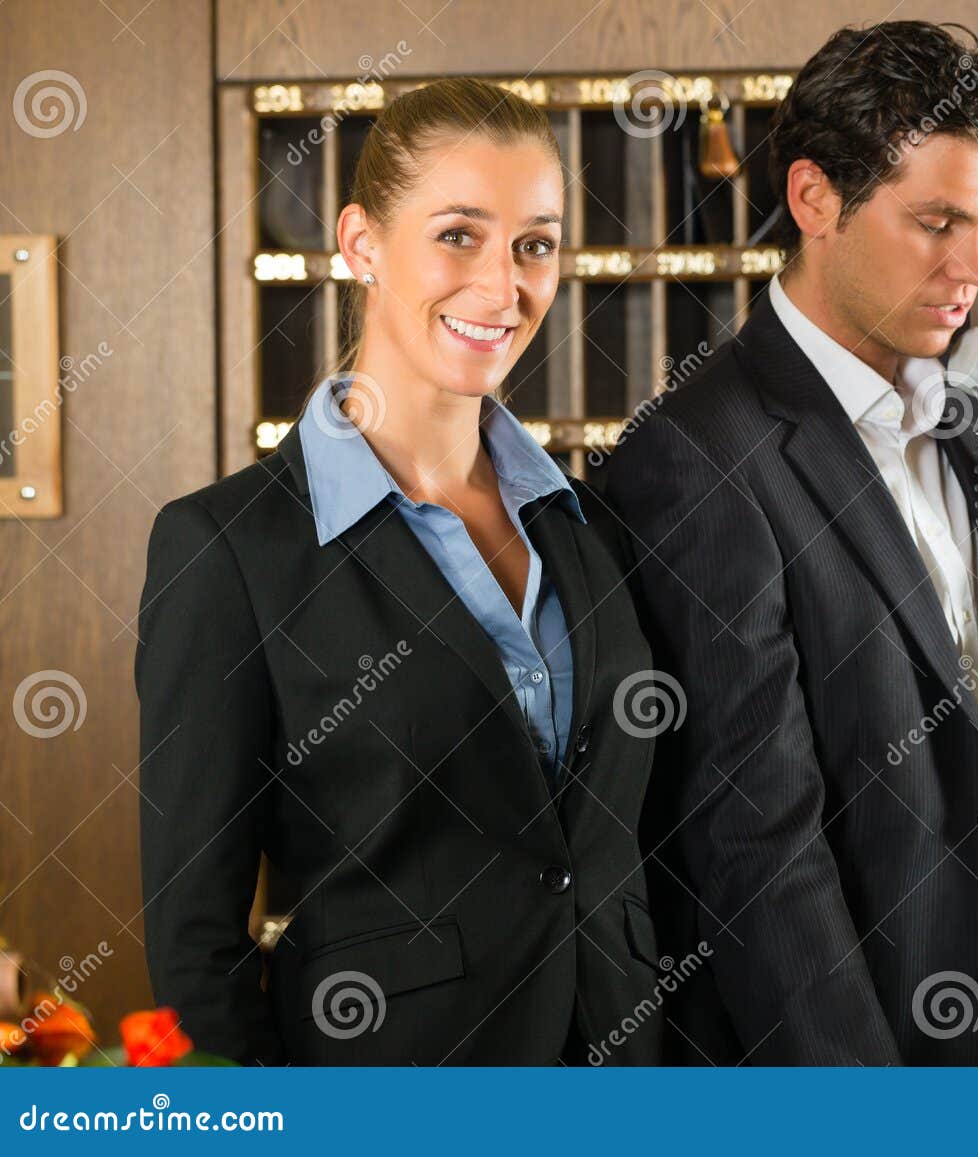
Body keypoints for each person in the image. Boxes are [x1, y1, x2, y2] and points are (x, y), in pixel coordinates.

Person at [600, 22, 978, 1065]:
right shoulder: (696, 457)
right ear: (814, 200)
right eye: (935, 222)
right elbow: (755, 853)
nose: (974, 266)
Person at [137, 78, 663, 1065]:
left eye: (534, 244)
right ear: (361, 242)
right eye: (458, 234)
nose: (503, 287)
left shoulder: (588, 528)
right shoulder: (228, 549)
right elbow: (193, 944)